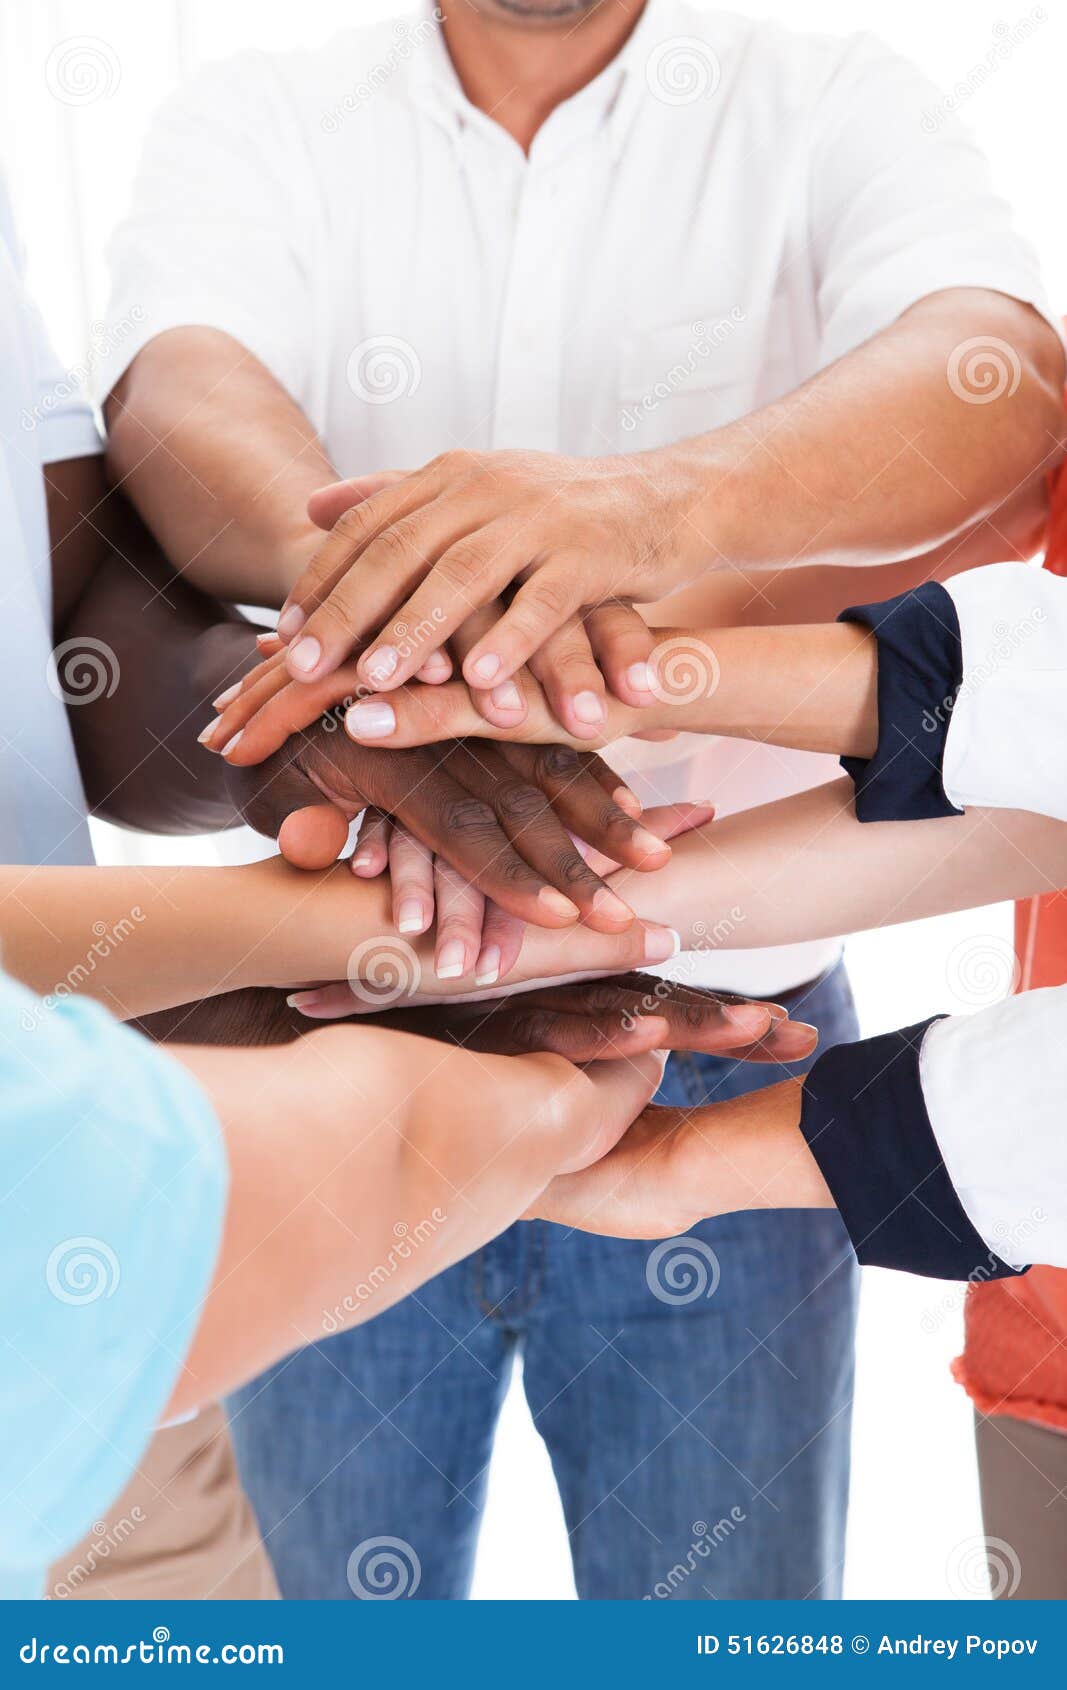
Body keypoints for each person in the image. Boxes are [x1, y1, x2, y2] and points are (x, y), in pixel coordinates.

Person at [98, 0, 1064, 1598]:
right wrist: (404, 623)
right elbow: (176, 399)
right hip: (329, 1035)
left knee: (725, 1621)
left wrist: (644, 514)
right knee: (331, 1618)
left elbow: (1003, 379)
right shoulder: (260, 113)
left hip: (725, 1045)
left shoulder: (827, 93)